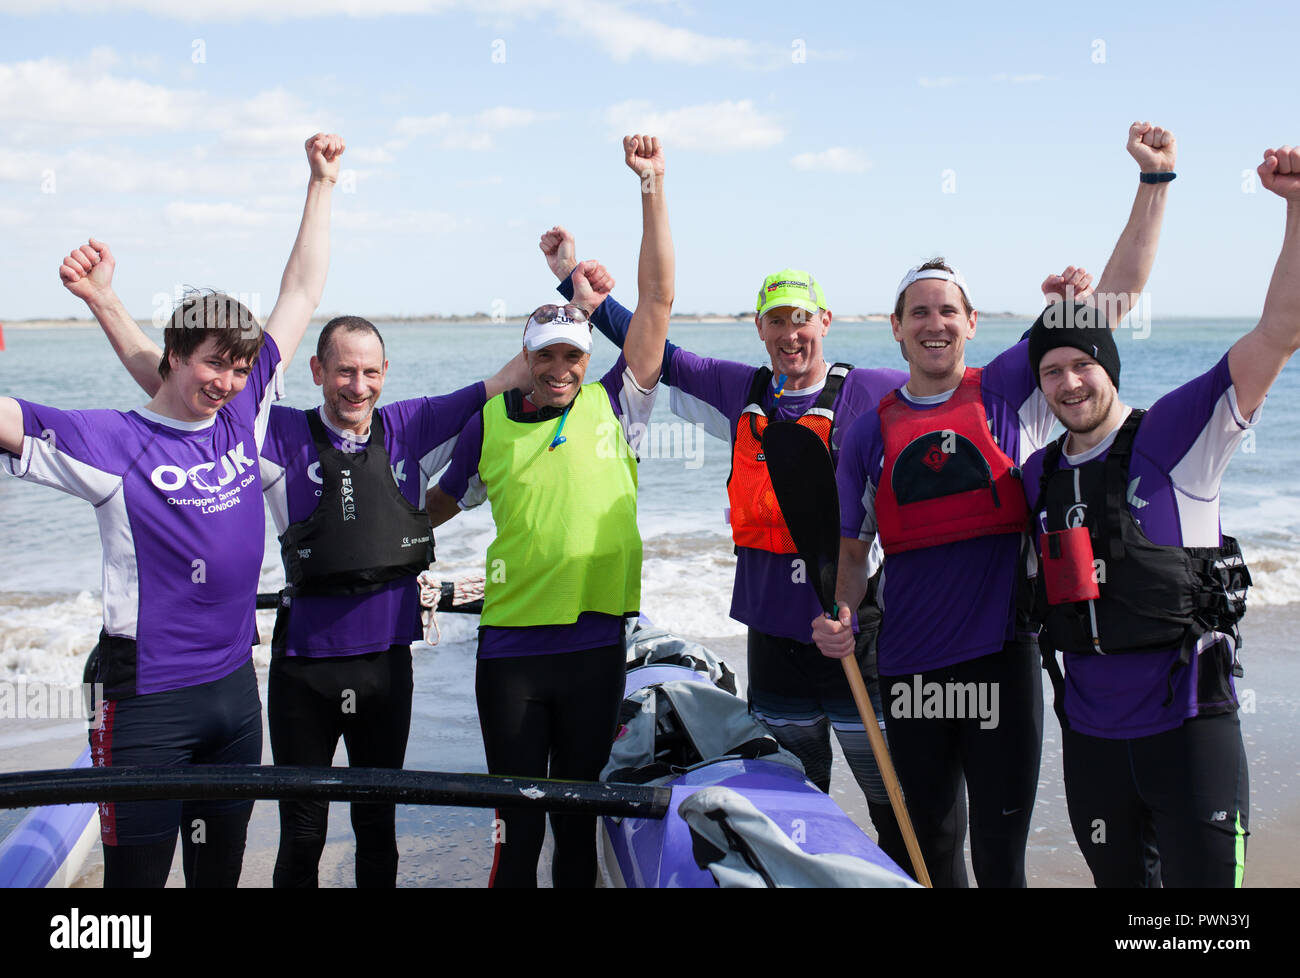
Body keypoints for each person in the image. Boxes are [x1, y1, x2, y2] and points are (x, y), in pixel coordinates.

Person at [813, 121, 1177, 887]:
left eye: (949, 310)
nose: (935, 323)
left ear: (973, 324)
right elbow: (852, 552)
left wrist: (1152, 185)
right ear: (897, 330)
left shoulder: (1010, 387)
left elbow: (1113, 300)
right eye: (919, 311)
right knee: (933, 850)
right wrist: (841, 618)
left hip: (1003, 662)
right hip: (909, 668)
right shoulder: (865, 432)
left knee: (1000, 860)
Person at [84, 297, 532, 886]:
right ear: (318, 372)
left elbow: (510, 379)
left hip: (386, 670)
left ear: (385, 373)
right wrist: (105, 302)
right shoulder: (279, 433)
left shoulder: (411, 425)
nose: (358, 385)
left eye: (370, 372)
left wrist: (576, 297)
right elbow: (182, 389)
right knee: (301, 834)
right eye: (344, 371)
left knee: (378, 826)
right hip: (303, 675)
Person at [2, 133, 345, 887]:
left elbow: (301, 291)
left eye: (240, 366)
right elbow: (8, 420)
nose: (228, 380)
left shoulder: (241, 411)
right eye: (214, 362)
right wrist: (100, 302)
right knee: (136, 890)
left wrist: (320, 183)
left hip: (233, 696)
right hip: (144, 706)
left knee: (219, 876)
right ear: (175, 356)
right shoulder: (111, 442)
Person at [540, 231, 915, 869]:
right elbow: (662, 355)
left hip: (856, 637)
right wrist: (579, 284)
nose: (791, 335)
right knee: (793, 804)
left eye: (802, 319)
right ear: (761, 333)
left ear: (825, 321)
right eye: (776, 322)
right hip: (773, 637)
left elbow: (957, 388)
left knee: (897, 810)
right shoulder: (746, 393)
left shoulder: (872, 391)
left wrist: (1067, 318)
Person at [1022, 143, 1300, 887]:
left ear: (1109, 366)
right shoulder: (1036, 474)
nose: (1070, 382)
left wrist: (1298, 209)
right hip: (1089, 736)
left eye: (1083, 363)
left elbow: (1280, 331)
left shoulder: (1178, 437)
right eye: (1052, 371)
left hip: (1190, 727)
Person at [424, 134, 673, 887]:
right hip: (509, 657)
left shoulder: (617, 406)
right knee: (517, 830)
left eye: (573, 355)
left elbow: (657, 302)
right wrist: (372, 541)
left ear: (587, 357)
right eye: (547, 357)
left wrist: (651, 186)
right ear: (526, 361)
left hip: (595, 648)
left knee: (576, 827)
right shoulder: (489, 424)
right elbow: (432, 506)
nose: (561, 368)